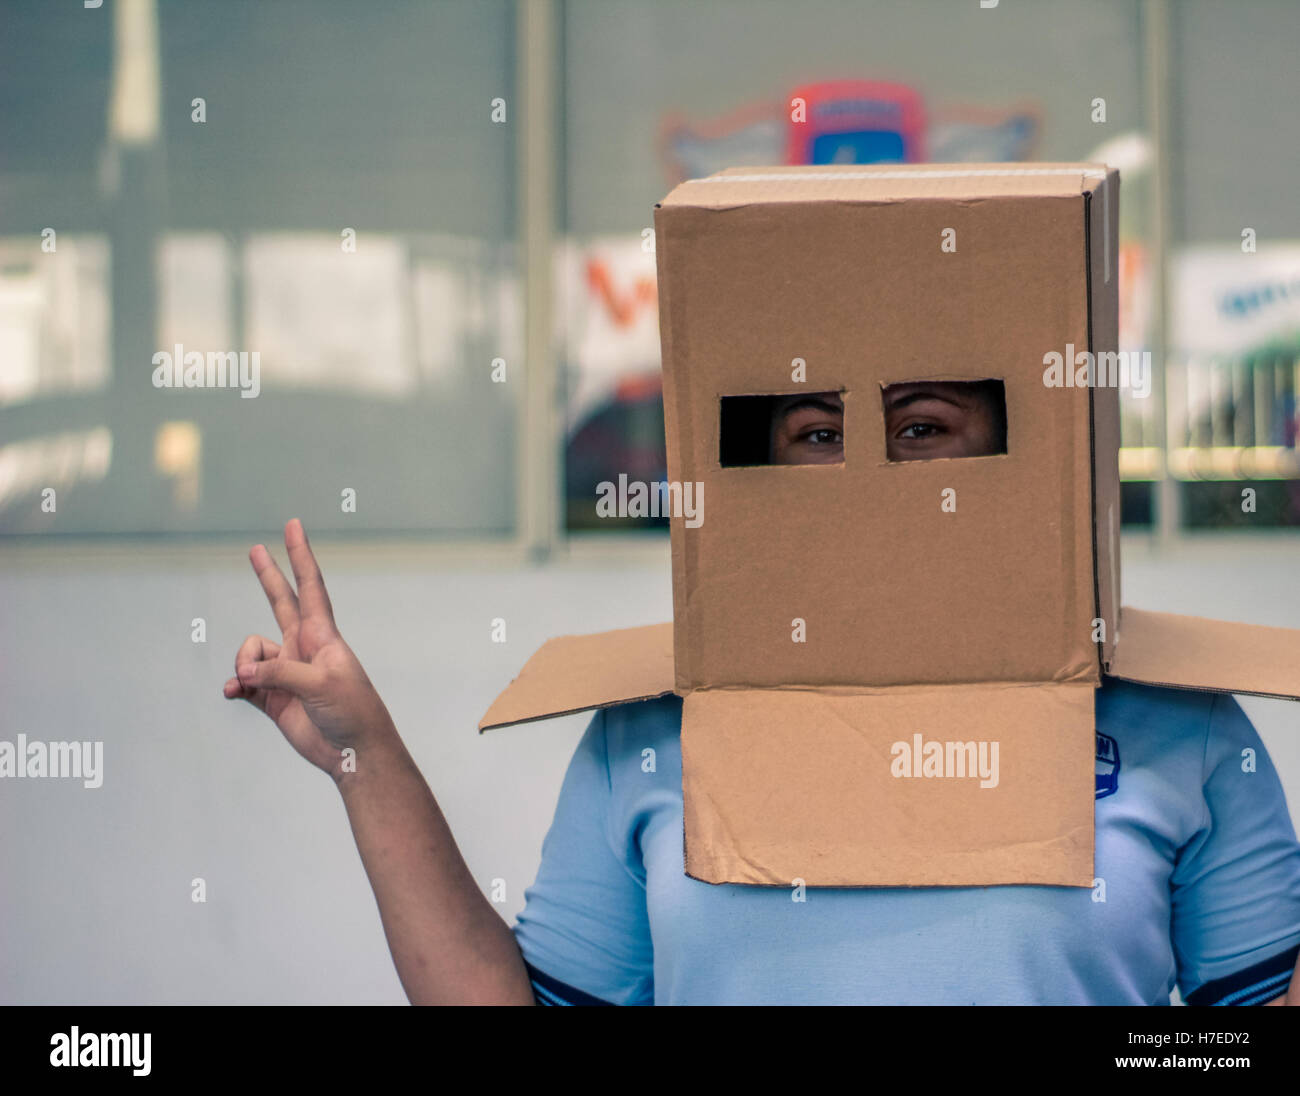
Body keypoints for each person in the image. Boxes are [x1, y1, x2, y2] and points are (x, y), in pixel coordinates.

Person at [223, 384, 1300, 1005]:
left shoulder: (1181, 728)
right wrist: (367, 760)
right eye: (818, 434)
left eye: (921, 424)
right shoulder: (652, 733)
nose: (871, 469)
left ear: (1015, 448)